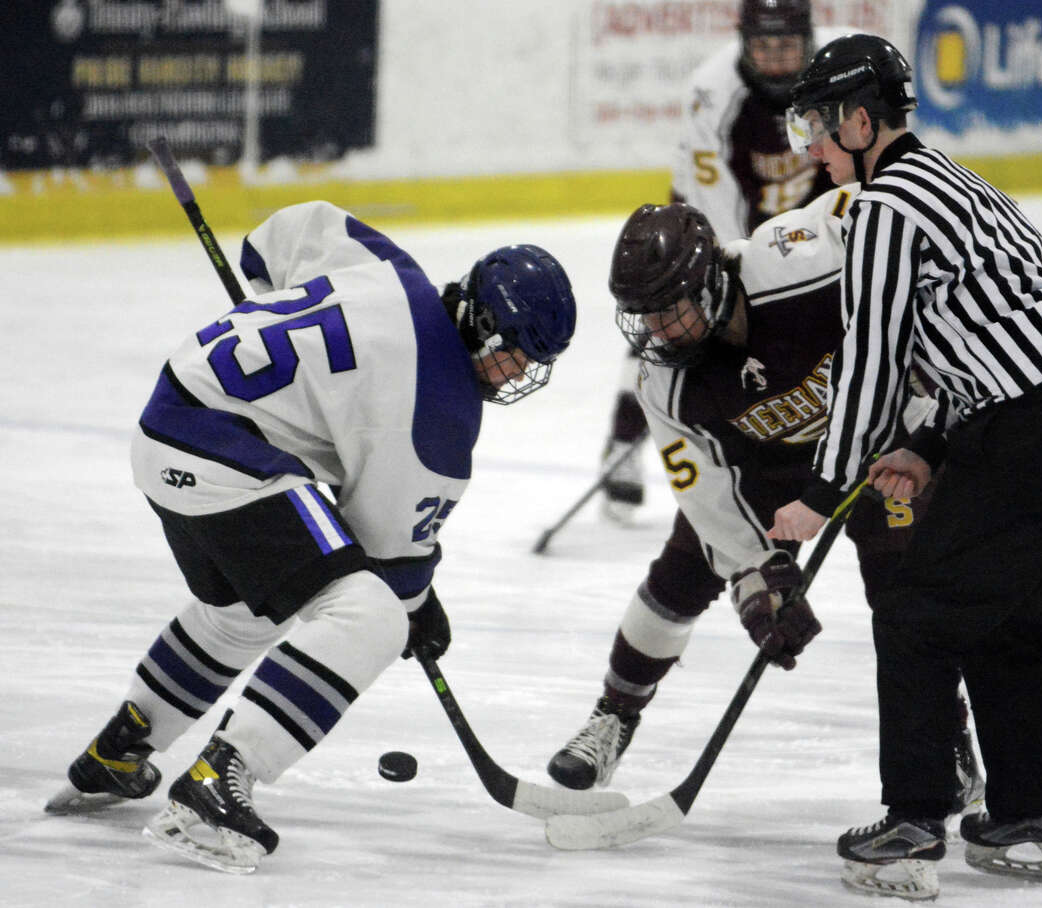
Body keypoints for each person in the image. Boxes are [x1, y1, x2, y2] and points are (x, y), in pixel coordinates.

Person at [43, 200, 577, 874]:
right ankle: (218, 781)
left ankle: (119, 750)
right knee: (369, 616)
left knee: (238, 614)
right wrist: (416, 608)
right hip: (222, 455)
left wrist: (295, 358)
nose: (513, 374)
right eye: (510, 354)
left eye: (531, 364)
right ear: (480, 321)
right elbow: (389, 564)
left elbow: (280, 235)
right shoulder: (441, 406)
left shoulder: (387, 266)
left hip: (165, 428)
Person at [775, 34, 1042, 900]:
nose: (813, 150)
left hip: (1033, 435)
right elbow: (991, 333)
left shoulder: (885, 209)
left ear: (863, 121)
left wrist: (821, 495)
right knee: (1006, 625)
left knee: (916, 612)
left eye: (821, 129)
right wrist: (930, 446)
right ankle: (1031, 813)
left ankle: (911, 823)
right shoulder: (953, 180)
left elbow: (872, 361)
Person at [546, 190, 983, 821]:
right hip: (764, 468)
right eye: (643, 316)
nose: (657, 332)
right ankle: (612, 718)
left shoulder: (800, 261)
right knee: (680, 576)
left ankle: (948, 740)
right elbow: (704, 491)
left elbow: (883, 217)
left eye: (669, 310)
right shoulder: (661, 378)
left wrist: (928, 396)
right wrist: (759, 574)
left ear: (711, 286)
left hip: (877, 442)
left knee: (907, 601)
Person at [597, 0, 836, 522]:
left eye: (787, 47)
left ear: (809, 41)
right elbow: (719, 210)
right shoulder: (714, 91)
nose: (775, 61)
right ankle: (622, 445)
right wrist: (742, 279)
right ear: (743, 43)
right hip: (712, 217)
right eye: (763, 47)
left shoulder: (839, 77)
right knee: (670, 313)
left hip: (804, 216)